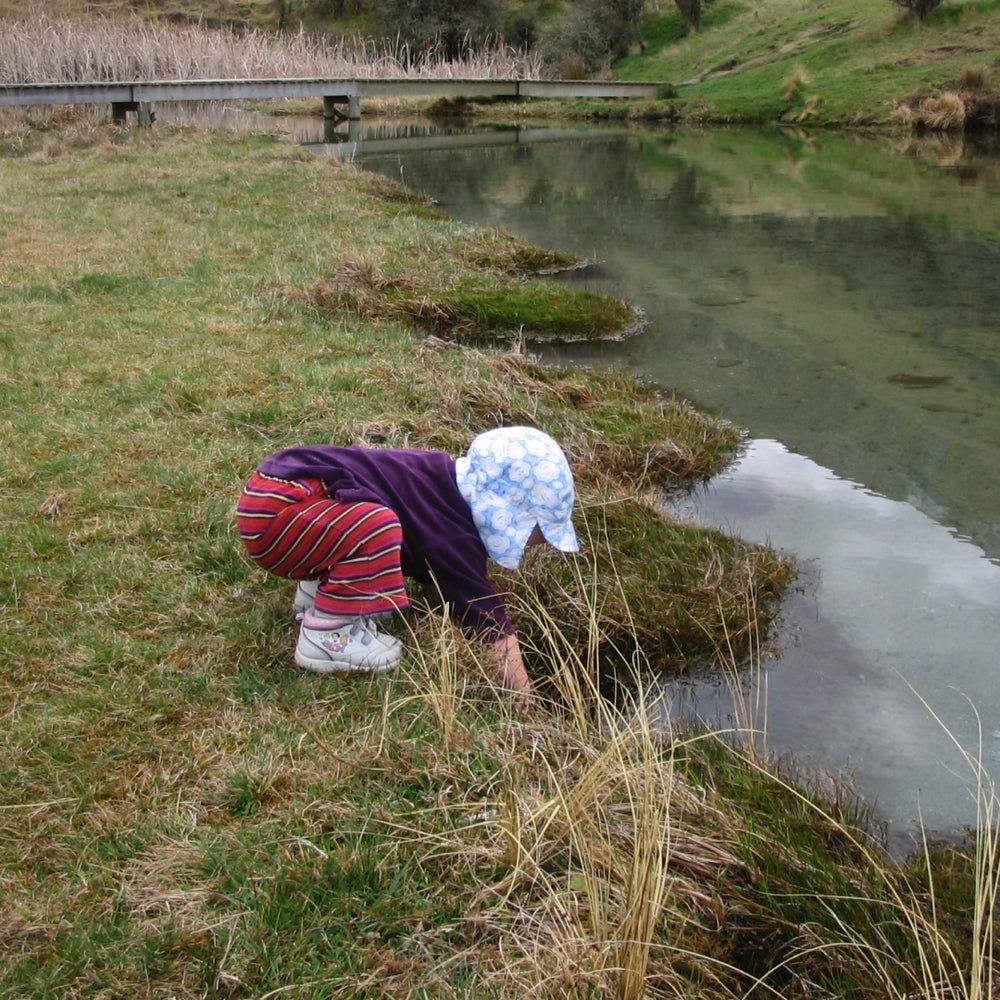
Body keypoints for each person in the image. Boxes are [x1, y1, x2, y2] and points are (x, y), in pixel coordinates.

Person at [236, 426, 579, 692]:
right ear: (511, 519)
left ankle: (321, 595)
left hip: (280, 492)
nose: (534, 546)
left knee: (368, 520)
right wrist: (524, 699)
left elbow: (431, 565)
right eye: (535, 535)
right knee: (377, 526)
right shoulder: (452, 535)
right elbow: (487, 621)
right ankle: (328, 637)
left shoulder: (437, 478)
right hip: (278, 515)